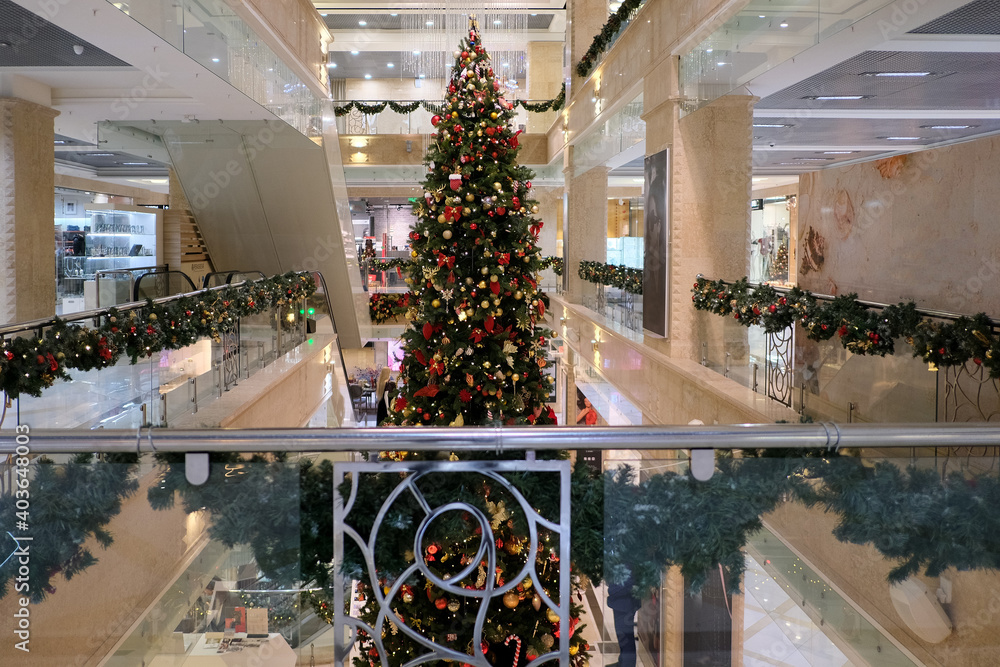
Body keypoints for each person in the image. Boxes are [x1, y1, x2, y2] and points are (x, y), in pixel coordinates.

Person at [607, 575, 642, 667]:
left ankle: (627, 664)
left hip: (625, 602)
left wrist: (612, 590)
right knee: (622, 635)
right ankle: (622, 662)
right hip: (622, 601)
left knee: (626, 637)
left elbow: (628, 582)